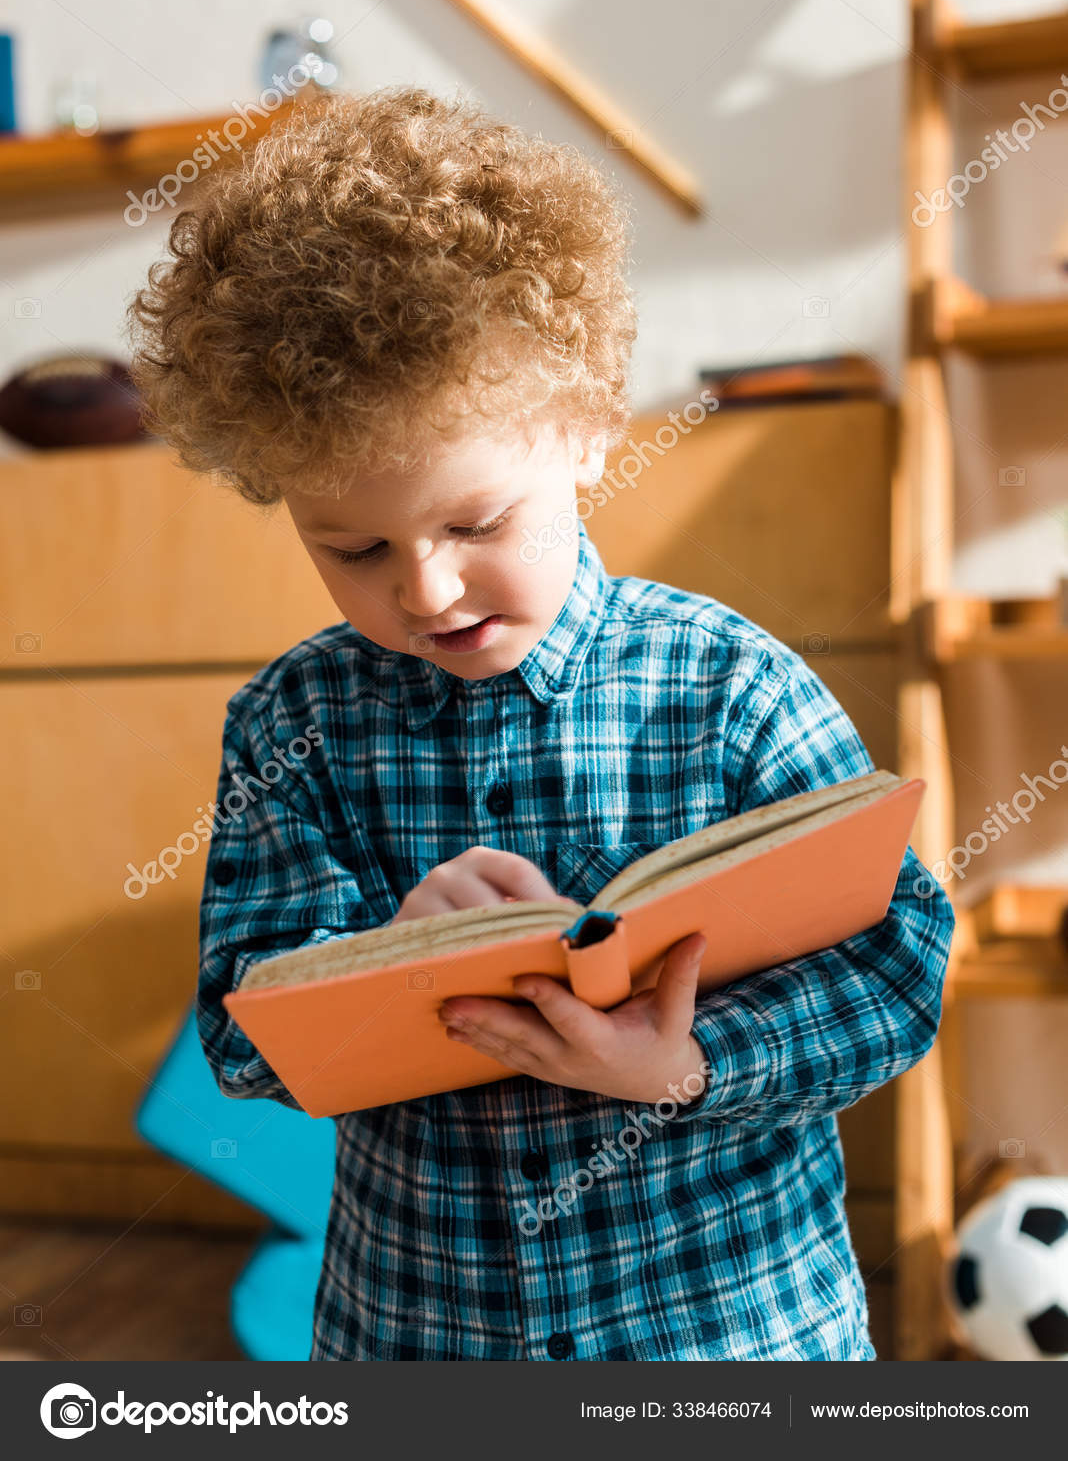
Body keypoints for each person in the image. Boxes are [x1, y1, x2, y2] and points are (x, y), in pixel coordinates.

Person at [126, 86, 954, 1361]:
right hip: (418, 1333)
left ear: (584, 430)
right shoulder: (296, 721)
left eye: (475, 523)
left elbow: (897, 968)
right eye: (351, 547)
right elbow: (241, 1039)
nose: (426, 588)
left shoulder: (728, 685)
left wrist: (687, 1063)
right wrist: (374, 964)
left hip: (727, 1336)